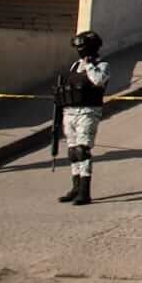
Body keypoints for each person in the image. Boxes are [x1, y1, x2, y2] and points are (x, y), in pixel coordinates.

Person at [56, 30, 110, 207]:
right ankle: (75, 187)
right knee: (72, 152)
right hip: (70, 112)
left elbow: (98, 81)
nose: (79, 50)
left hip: (88, 112)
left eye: (82, 47)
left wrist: (89, 66)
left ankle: (85, 192)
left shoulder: (102, 65)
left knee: (82, 150)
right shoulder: (75, 66)